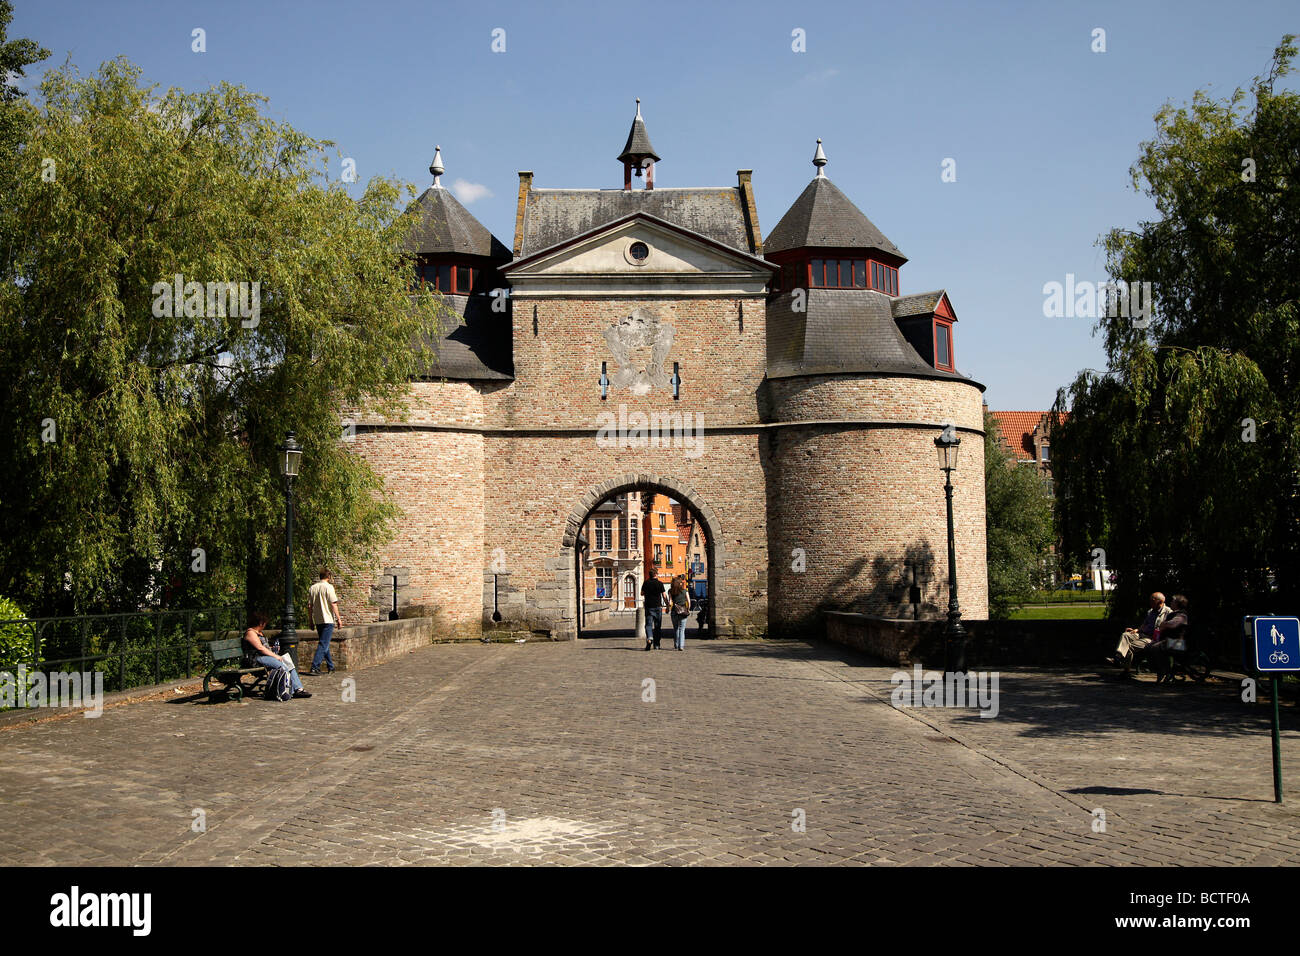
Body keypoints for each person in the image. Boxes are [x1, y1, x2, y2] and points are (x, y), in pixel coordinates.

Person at [243, 611, 311, 699]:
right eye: (264, 623)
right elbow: (260, 648)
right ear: (260, 622)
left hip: (265, 657)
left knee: (288, 662)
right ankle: (288, 690)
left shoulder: (259, 632)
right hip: (256, 659)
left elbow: (265, 647)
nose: (265, 625)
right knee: (282, 665)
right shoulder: (250, 633)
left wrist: (273, 650)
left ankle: (299, 689)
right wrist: (275, 656)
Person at [1112, 592, 1170, 673]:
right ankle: (1118, 657)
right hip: (1142, 634)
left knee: (1128, 646)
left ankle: (1125, 671)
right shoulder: (1150, 611)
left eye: (1152, 600)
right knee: (1126, 635)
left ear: (1160, 602)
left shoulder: (1168, 612)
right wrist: (1137, 630)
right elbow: (1145, 624)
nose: (1150, 602)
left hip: (1152, 638)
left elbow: (1169, 628)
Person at [1148, 594, 1190, 683]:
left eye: (1173, 601)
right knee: (1152, 646)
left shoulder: (1182, 615)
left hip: (1179, 643)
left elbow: (1171, 624)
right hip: (1170, 641)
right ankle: (1164, 670)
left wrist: (1164, 624)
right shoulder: (1172, 614)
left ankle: (1164, 671)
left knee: (1156, 647)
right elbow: (1163, 626)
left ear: (1177, 603)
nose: (1171, 603)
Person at [308, 569, 342, 676]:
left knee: (324, 643)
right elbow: (333, 604)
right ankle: (315, 666)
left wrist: (310, 620)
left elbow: (309, 606)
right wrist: (339, 619)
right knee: (323, 644)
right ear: (329, 577)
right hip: (328, 619)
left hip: (318, 620)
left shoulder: (313, 588)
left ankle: (331, 667)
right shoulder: (329, 587)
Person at [641, 573, 667, 650]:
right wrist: (667, 604)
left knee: (648, 625)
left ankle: (649, 638)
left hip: (649, 607)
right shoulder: (660, 583)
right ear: (656, 574)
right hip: (658, 607)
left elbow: (641, 593)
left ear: (650, 575)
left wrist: (647, 593)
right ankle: (657, 645)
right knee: (657, 626)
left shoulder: (646, 583)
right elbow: (664, 595)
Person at [669, 575, 691, 651]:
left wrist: (668, 608)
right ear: (680, 583)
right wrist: (688, 608)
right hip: (683, 611)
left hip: (674, 611)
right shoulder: (685, 591)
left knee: (676, 629)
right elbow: (688, 601)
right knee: (682, 629)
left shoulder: (670, 591)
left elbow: (670, 601)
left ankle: (676, 644)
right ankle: (681, 646)